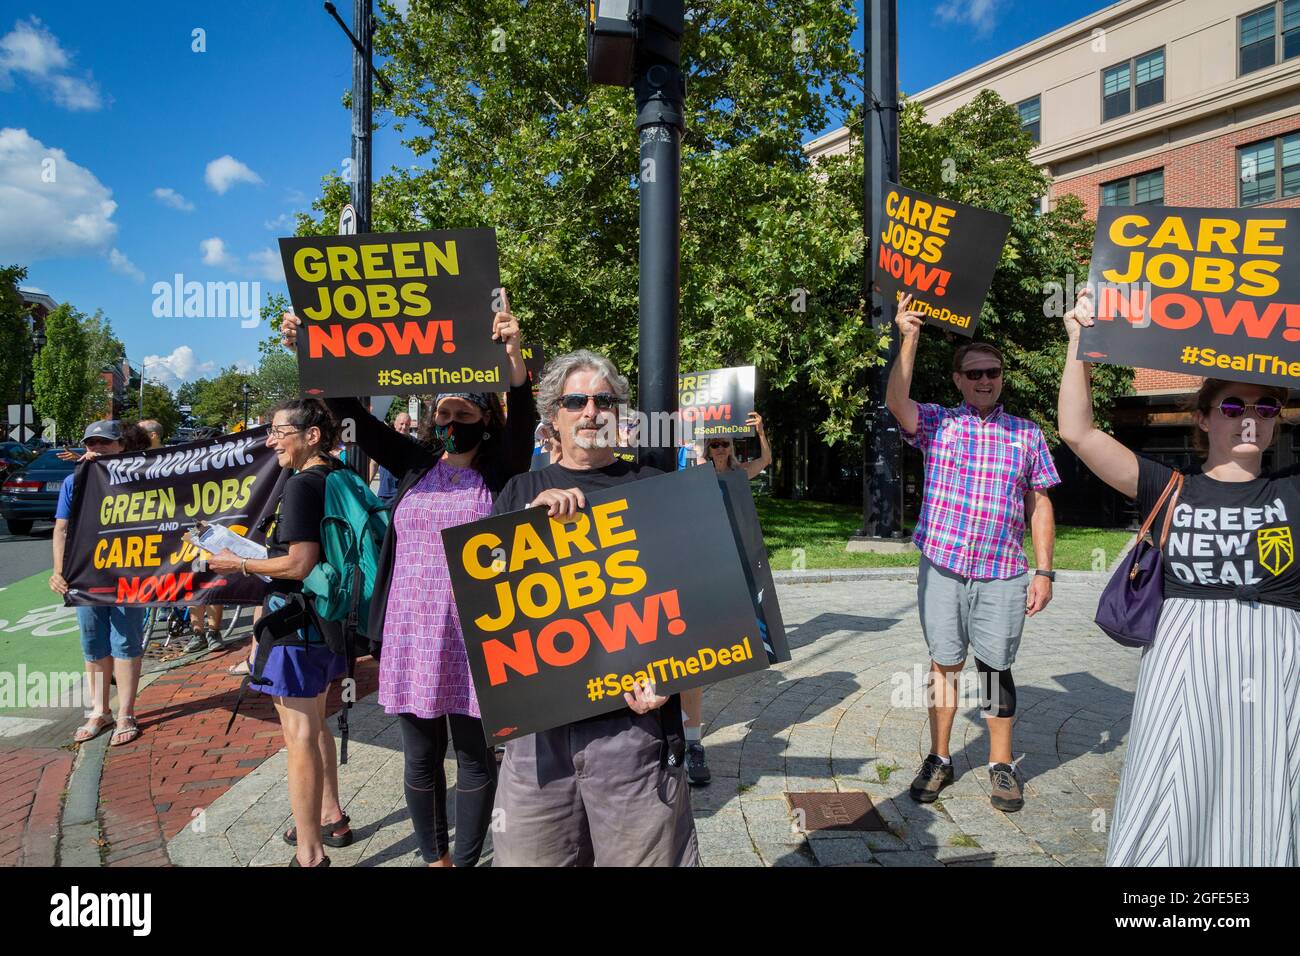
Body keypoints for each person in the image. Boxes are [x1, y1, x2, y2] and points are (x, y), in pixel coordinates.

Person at [280, 295, 533, 868]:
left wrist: (514, 357)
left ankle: (466, 859)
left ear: (485, 420)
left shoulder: (503, 469)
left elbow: (524, 418)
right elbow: (355, 417)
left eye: (463, 417)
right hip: (411, 633)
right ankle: (434, 859)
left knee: (473, 755)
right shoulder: (416, 464)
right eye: (442, 416)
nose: (450, 426)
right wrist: (310, 350)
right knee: (419, 756)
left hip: (476, 634)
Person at [1060, 286, 1299, 865]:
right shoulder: (1169, 488)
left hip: (1274, 653)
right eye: (1234, 407)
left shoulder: (1291, 488)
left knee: (1268, 782)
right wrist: (1079, 343)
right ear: (1203, 416)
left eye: (1265, 408)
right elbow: (1078, 432)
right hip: (1183, 650)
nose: (1250, 420)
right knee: (1172, 776)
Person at [488, 349, 700, 866]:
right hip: (538, 737)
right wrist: (525, 533)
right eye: (576, 400)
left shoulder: (654, 490)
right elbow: (485, 600)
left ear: (619, 413)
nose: (591, 411)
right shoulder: (520, 491)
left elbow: (693, 603)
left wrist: (672, 678)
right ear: (552, 417)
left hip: (633, 730)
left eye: (603, 400)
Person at [886, 293, 1058, 814]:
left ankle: (1001, 764)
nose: (985, 380)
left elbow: (1040, 503)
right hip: (943, 566)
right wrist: (909, 336)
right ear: (959, 379)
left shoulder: (1027, 434)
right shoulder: (940, 423)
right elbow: (897, 401)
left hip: (1004, 572)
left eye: (994, 372)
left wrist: (1044, 570)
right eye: (975, 373)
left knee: (996, 667)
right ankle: (940, 758)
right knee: (945, 665)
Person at [208, 399, 349, 867]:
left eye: (277, 431)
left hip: (294, 621)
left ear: (311, 435)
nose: (270, 441)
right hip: (328, 620)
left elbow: (297, 562)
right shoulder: (338, 474)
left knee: (299, 735)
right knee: (316, 720)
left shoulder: (302, 486)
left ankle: (310, 852)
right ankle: (329, 813)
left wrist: (237, 561)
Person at [677, 410, 773, 786]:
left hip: (732, 549)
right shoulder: (695, 472)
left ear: (732, 447)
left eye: (724, 443)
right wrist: (696, 444)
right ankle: (687, 736)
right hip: (700, 555)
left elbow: (765, 460)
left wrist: (761, 431)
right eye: (713, 443)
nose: (718, 448)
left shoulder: (737, 473)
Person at [50, 421, 148, 747]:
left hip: (130, 573)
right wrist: (58, 570)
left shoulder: (140, 477)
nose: (97, 449)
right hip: (87, 575)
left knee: (126, 643)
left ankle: (126, 714)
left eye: (105, 443)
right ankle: (99, 710)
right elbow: (62, 528)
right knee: (93, 644)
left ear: (121, 446)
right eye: (92, 443)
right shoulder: (73, 482)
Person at [371, 410, 415, 502]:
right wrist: (367, 483)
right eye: (401, 424)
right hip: (385, 495)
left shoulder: (414, 444)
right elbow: (374, 464)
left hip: (405, 495)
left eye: (407, 424)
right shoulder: (384, 442)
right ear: (395, 424)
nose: (404, 427)